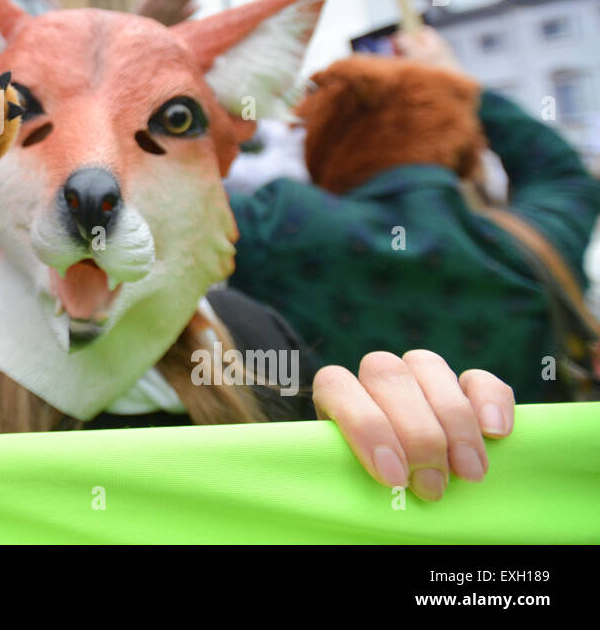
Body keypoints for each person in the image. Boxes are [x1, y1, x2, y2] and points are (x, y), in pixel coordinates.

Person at [227, 27, 600, 402]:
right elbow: (561, 171)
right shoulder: (534, 240)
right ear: (462, 138)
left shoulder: (280, 226)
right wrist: (460, 84)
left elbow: (179, 201)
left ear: (320, 140)